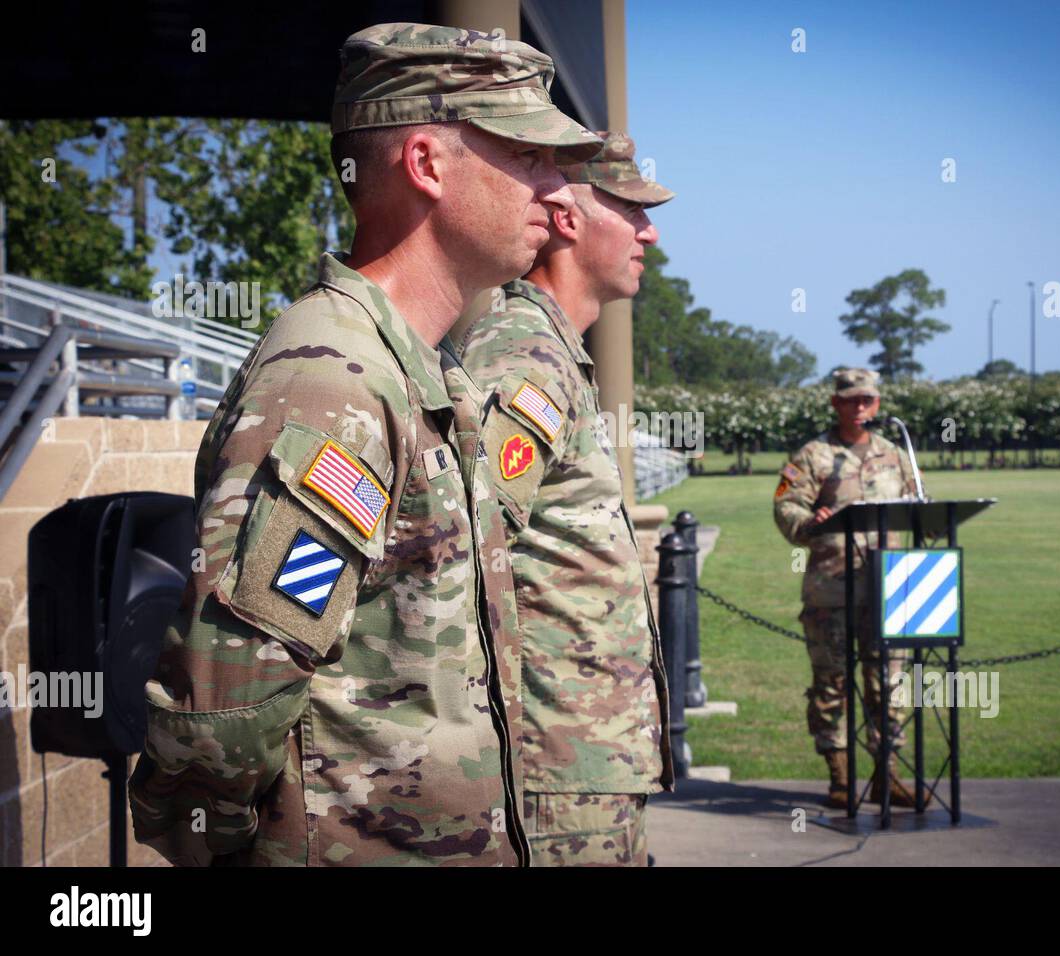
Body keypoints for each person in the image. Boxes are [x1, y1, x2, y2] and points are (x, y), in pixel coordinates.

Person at [127, 22, 601, 867]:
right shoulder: (336, 379)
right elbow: (230, 693)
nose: (560, 194)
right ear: (426, 165)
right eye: (530, 155)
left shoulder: (419, 368)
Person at [456, 132, 673, 865]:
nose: (651, 231)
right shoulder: (525, 356)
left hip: (585, 760)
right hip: (554, 767)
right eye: (632, 210)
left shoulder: (551, 353)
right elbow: (462, 548)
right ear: (573, 222)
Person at [773, 368, 922, 810]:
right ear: (835, 403)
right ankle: (840, 776)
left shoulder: (895, 454)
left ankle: (886, 775)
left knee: (890, 684)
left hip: (888, 587)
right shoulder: (813, 455)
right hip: (831, 589)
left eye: (867, 400)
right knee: (831, 684)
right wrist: (808, 523)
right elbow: (786, 506)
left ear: (876, 405)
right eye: (851, 400)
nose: (860, 408)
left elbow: (919, 505)